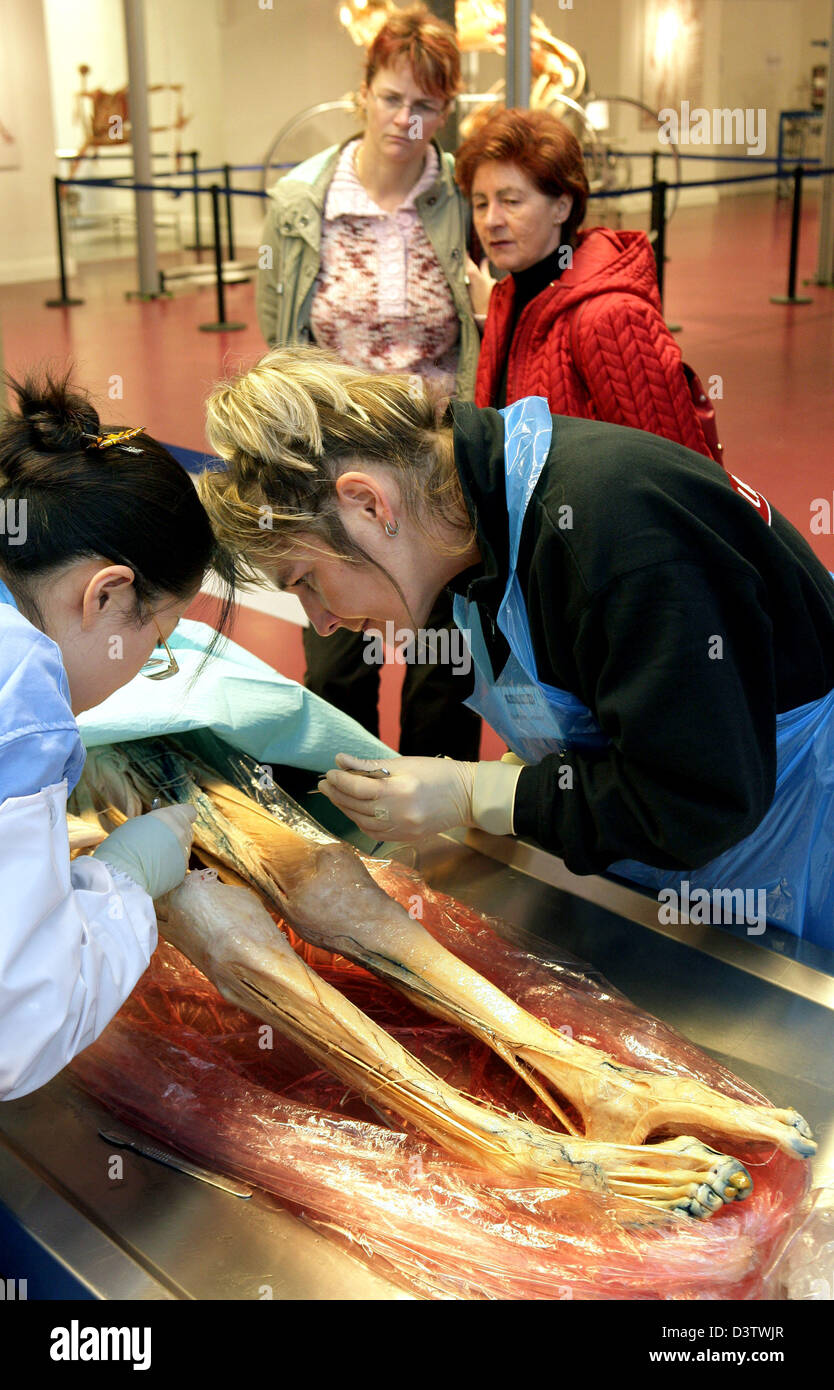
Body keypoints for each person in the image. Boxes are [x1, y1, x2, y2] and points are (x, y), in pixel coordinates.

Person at [200, 347, 834, 950]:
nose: (321, 622)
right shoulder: (473, 528)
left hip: (797, 848)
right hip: (687, 873)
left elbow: (696, 801)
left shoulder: (613, 534)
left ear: (368, 504)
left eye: (307, 581)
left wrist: (483, 795)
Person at [256, 2, 488, 760]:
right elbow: (280, 334)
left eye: (426, 106)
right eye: (392, 97)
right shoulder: (302, 201)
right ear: (364, 90)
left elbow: (485, 327)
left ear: (445, 112)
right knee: (335, 661)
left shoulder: (462, 200)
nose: (405, 120)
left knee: (443, 668)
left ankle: (442, 835)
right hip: (332, 469)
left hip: (435, 470)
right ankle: (340, 823)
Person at [0, 372, 235, 1100]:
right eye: (157, 638)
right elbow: (19, 1029)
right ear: (106, 593)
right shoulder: (18, 694)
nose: (149, 665)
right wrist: (123, 884)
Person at [456, 108, 717, 458]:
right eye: (480, 203)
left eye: (511, 201)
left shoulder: (612, 316)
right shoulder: (505, 299)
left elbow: (675, 471)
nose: (491, 221)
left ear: (562, 206)